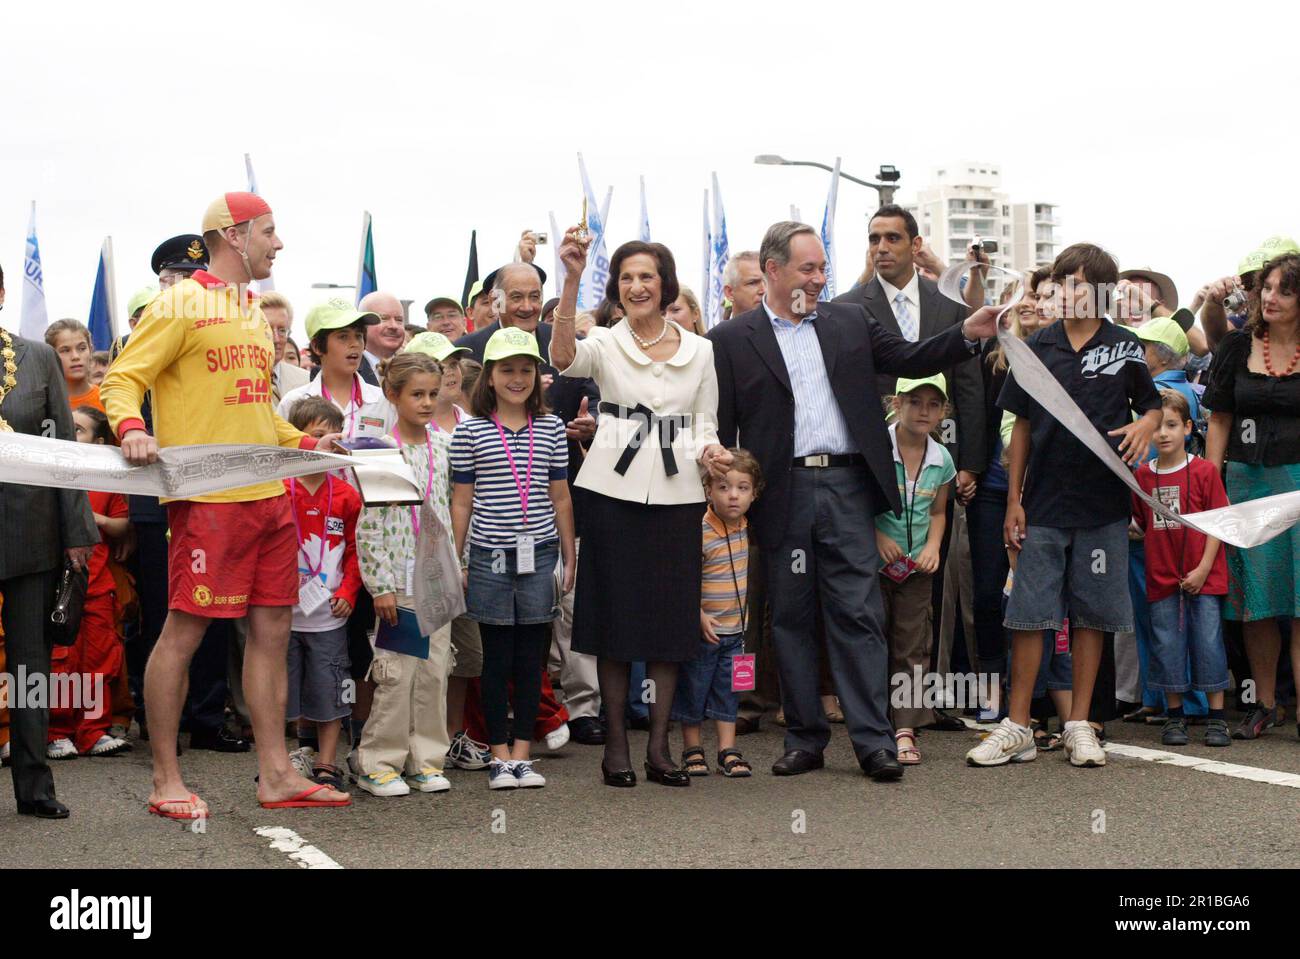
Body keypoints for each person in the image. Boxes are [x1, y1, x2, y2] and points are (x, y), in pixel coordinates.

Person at [709, 221, 998, 782]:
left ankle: (874, 742)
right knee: (789, 620)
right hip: (782, 492)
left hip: (847, 489)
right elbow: (720, 428)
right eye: (808, 268)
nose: (820, 279)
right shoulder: (732, 340)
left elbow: (912, 357)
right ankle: (804, 739)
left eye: (823, 268)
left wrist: (968, 331)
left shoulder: (848, 320)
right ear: (773, 271)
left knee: (859, 616)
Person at [102, 191, 349, 815]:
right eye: (270, 231)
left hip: (269, 495)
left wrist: (306, 441)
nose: (279, 242)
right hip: (209, 498)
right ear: (234, 236)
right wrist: (132, 428)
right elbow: (121, 379)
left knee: (272, 630)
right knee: (184, 631)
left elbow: (258, 410)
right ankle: (165, 781)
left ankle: (276, 775)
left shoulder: (249, 309)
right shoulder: (178, 301)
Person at [968, 243, 1161, 769]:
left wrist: (1146, 421)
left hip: (1104, 505)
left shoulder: (1125, 346)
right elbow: (1022, 427)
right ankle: (1018, 726)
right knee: (1031, 616)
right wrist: (1014, 500)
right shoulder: (1038, 347)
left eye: (1078, 284)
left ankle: (1080, 723)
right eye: (1062, 282)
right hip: (1044, 503)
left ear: (1102, 292)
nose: (1068, 292)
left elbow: (1150, 403)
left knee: (1092, 616)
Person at [551, 231, 731, 788]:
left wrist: (712, 450)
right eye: (626, 277)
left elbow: (705, 423)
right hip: (609, 491)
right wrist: (572, 279)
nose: (636, 286)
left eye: (646, 277)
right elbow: (561, 358)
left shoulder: (700, 349)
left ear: (665, 285)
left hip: (679, 499)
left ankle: (659, 748)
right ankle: (615, 747)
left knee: (669, 622)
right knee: (613, 619)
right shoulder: (603, 341)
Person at [450, 328, 576, 790]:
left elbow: (560, 497)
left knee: (532, 661)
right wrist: (457, 558)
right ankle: (499, 755)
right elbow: (461, 501)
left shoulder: (552, 428)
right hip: (488, 555)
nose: (518, 378)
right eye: (508, 369)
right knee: (495, 659)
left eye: (527, 369)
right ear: (490, 375)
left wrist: (568, 555)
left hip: (540, 553)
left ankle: (524, 753)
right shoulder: (471, 431)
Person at [0, 262, 99, 818]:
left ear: (1, 292)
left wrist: (76, 530)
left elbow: (66, 448)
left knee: (30, 665)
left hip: (31, 531)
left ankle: (35, 787)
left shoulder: (37, 358)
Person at [835, 205, 986, 519]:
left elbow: (969, 387)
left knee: (932, 563)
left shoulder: (951, 303)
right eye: (874, 239)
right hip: (872, 466)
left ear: (915, 245)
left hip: (941, 460)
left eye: (892, 238)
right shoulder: (845, 309)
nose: (882, 248)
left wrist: (969, 464)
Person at [1203, 252, 1300, 741]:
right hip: (1245, 482)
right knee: (1256, 602)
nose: (1271, 297)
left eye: (1285, 290)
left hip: (1299, 485)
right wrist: (1214, 482)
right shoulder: (1239, 345)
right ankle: (1264, 704)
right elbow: (1218, 418)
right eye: (1267, 288)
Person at [354, 352, 457, 796]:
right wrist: (379, 585)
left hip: (437, 578)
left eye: (433, 394)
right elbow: (369, 522)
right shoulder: (379, 450)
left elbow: (452, 508)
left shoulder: (443, 446)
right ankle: (377, 761)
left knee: (435, 672)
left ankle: (426, 758)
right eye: (416, 394)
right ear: (393, 395)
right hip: (397, 580)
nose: (427, 402)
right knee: (396, 674)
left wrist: (457, 565)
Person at [401, 331, 491, 768]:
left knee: (463, 655)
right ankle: (411, 741)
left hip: (468, 557)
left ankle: (452, 735)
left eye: (455, 362)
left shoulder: (474, 424)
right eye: (441, 364)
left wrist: (467, 558)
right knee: (412, 655)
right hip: (414, 564)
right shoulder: (405, 432)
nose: (451, 371)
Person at [1132, 390, 1232, 748]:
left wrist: (1204, 568)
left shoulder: (1204, 471)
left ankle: (1216, 718)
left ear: (1188, 428)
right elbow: (1142, 524)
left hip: (1203, 577)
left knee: (1207, 642)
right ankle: (1174, 717)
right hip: (1161, 578)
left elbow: (1218, 524)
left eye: (1172, 425)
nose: (1163, 433)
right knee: (1166, 645)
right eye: (1157, 426)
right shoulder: (1142, 477)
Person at [281, 396, 363, 791]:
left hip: (330, 613)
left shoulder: (346, 495)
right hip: (284, 614)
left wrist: (349, 590)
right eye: (317, 437)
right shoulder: (279, 489)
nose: (328, 445)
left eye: (335, 438)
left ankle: (327, 761)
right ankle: (294, 756)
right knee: (286, 690)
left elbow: (355, 549)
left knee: (330, 689)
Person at [876, 375, 956, 764]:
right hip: (873, 565)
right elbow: (856, 503)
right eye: (914, 401)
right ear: (896, 403)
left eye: (933, 404)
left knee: (911, 646)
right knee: (871, 641)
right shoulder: (875, 447)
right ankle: (874, 723)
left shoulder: (942, 459)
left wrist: (933, 546)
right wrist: (876, 536)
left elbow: (939, 512)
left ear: (943, 412)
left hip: (916, 568)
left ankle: (904, 727)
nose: (924, 411)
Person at [44, 407, 130, 760]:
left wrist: (93, 519)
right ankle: (56, 731)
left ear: (98, 442)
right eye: (67, 428)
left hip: (97, 583)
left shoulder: (107, 478)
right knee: (61, 659)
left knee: (100, 658)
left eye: (78, 430)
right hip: (60, 584)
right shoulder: (48, 473)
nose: (71, 434)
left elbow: (123, 524)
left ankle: (93, 730)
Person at [676, 449, 762, 779]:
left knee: (731, 691)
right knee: (694, 689)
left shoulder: (747, 529)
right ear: (708, 490)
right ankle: (692, 748)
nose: (733, 496)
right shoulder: (700, 529)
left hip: (737, 634)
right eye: (724, 487)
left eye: (742, 488)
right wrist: (696, 615)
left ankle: (727, 749)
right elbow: (684, 580)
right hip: (705, 630)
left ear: (754, 493)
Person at [279, 299, 393, 451]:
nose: (355, 344)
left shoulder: (384, 402)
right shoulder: (293, 402)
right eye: (343, 336)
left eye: (358, 336)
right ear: (317, 346)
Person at [45, 319, 102, 411]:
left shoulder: (108, 400)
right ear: (50, 355)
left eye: (82, 348)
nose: (75, 356)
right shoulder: (44, 406)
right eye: (65, 350)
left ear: (91, 350)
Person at [261, 291, 308, 401]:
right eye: (267, 329)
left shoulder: (305, 381)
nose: (276, 339)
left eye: (282, 330)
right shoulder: (235, 379)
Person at [353, 291, 407, 385]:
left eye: (399, 320)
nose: (393, 326)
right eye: (383, 318)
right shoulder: (347, 369)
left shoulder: (412, 369)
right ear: (362, 325)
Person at [721, 251, 765, 319]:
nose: (764, 290)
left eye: (768, 282)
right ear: (729, 292)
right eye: (753, 283)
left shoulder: (785, 327)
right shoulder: (720, 329)